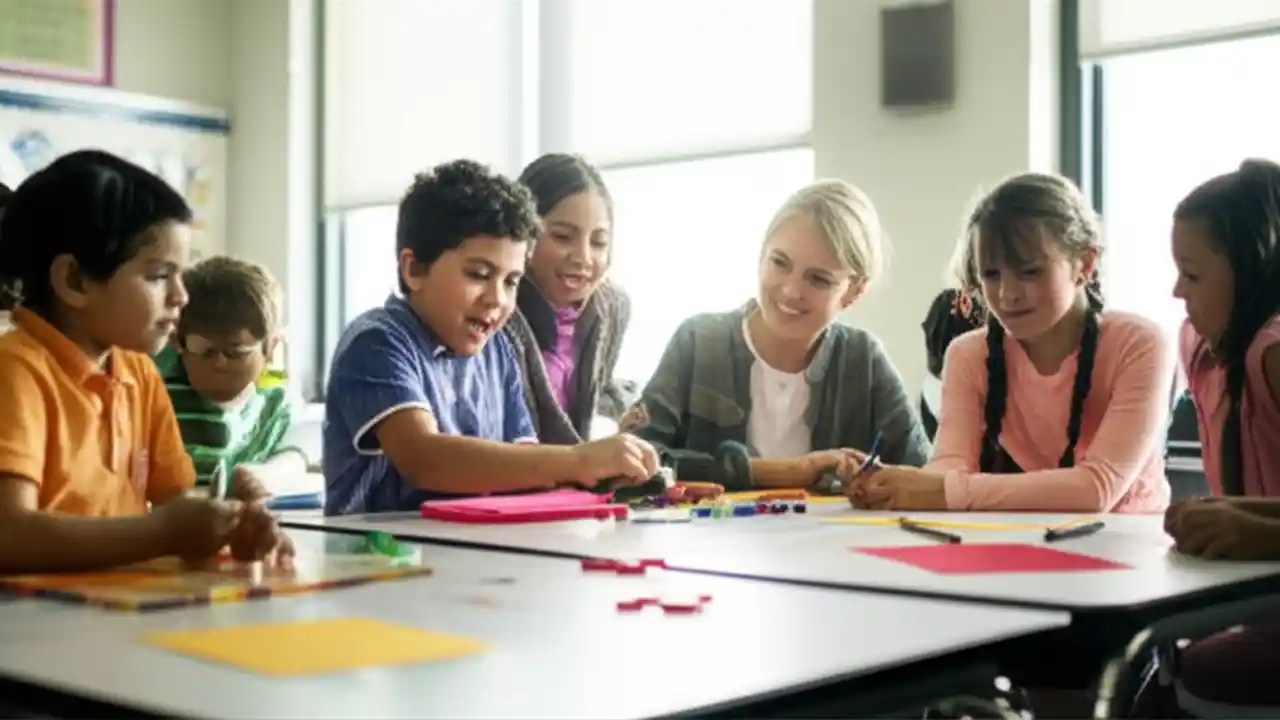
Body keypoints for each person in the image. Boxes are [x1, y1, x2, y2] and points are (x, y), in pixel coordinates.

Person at [0, 150, 288, 572]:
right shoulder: (15, 370)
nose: (181, 297)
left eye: (181, 276)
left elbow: (178, 504)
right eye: (158, 276)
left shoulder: (138, 373)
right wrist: (162, 533)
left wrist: (230, 525)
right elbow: (9, 536)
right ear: (74, 280)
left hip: (120, 613)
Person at [323, 159, 659, 515]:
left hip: (469, 552)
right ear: (414, 269)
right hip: (377, 557)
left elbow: (525, 463)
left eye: (511, 281)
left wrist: (599, 474)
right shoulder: (378, 341)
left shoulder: (498, 348)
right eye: (479, 274)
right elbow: (424, 458)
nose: (497, 299)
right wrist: (576, 460)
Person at [848, 172, 1172, 512]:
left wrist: (940, 490)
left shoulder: (1138, 344)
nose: (1007, 295)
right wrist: (896, 487)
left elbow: (1096, 490)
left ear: (1085, 264)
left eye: (1030, 272)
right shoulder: (968, 354)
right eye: (991, 275)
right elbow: (948, 468)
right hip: (1031, 535)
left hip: (1135, 541)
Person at [632, 179, 929, 491]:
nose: (791, 291)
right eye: (779, 263)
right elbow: (634, 462)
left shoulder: (863, 360)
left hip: (828, 540)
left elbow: (921, 474)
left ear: (854, 290)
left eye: (819, 279)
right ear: (762, 254)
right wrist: (788, 472)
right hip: (710, 538)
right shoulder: (697, 341)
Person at [1162, 159, 1280, 716]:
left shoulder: (1272, 351)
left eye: (1192, 273)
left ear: (1254, 269)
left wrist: (1255, 531)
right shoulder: (1203, 346)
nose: (1176, 290)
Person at [502, 153, 633, 444]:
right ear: (523, 234)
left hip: (581, 480)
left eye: (599, 242)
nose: (584, 258)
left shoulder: (612, 307)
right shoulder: (497, 311)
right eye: (562, 237)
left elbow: (599, 395)